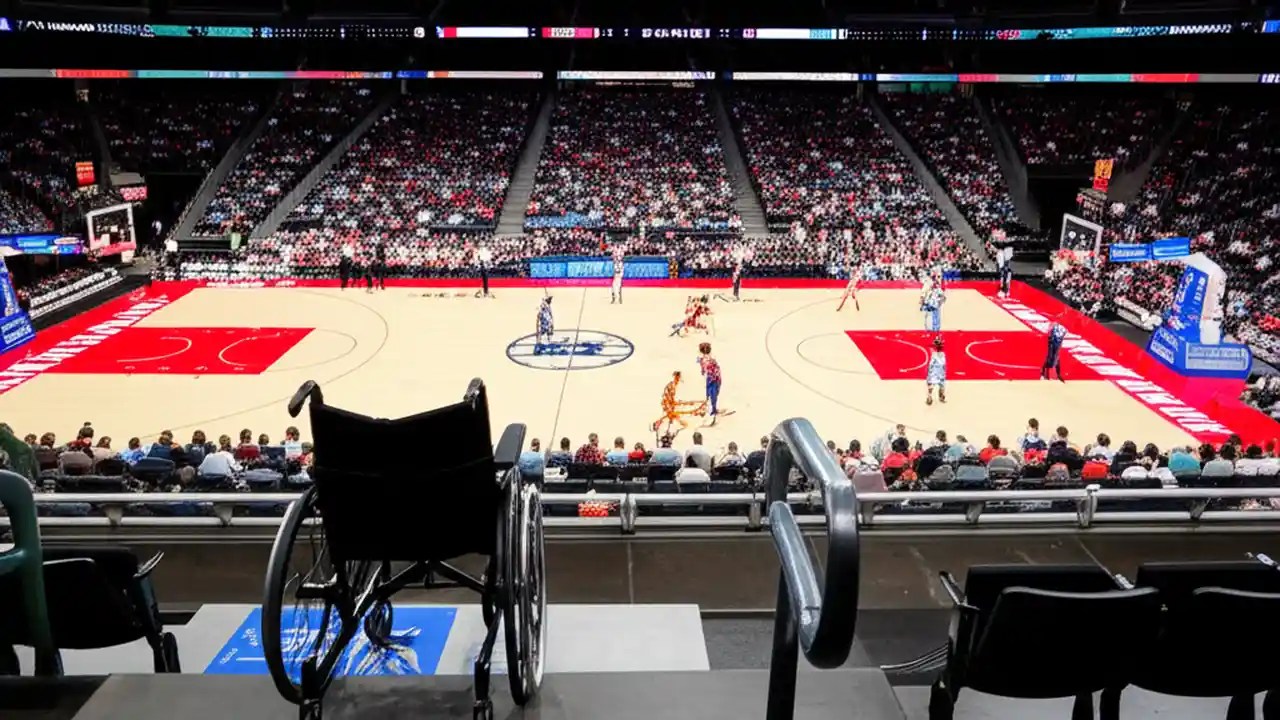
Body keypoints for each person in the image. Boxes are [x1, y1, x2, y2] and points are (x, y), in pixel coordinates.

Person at [698, 342, 722, 425]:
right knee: (711, 395)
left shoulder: (710, 359)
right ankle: (712, 412)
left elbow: (714, 369)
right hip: (712, 379)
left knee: (713, 395)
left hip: (714, 378)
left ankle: (713, 410)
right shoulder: (702, 359)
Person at [1042, 317, 1067, 381]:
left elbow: (1062, 337)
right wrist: (1050, 340)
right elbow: (1049, 332)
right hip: (1052, 343)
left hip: (1057, 344)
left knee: (1056, 359)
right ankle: (1043, 374)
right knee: (1049, 358)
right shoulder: (1054, 325)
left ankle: (1058, 374)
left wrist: (1060, 345)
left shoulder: (1064, 329)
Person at [926, 336, 947, 406]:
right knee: (937, 386)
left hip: (938, 372)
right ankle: (930, 397)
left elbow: (931, 365)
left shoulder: (939, 355)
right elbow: (931, 364)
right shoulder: (936, 355)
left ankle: (937, 397)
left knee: (940, 386)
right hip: (937, 372)